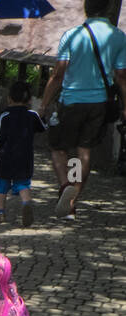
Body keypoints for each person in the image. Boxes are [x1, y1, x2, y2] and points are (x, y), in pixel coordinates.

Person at [38, 0, 126, 221]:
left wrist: (44, 104)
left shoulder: (72, 35)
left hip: (72, 101)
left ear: (86, 8)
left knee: (58, 147)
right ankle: (72, 199)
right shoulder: (118, 37)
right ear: (107, 8)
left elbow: (58, 73)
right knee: (83, 151)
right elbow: (121, 77)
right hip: (99, 104)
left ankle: (66, 185)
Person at [0, 80, 45, 227]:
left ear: (9, 98)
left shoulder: (5, 116)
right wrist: (43, 116)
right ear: (29, 100)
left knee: (1, 185)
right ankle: (26, 202)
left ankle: (1, 214)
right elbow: (42, 127)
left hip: (5, 158)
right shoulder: (32, 115)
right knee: (23, 184)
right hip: (24, 158)